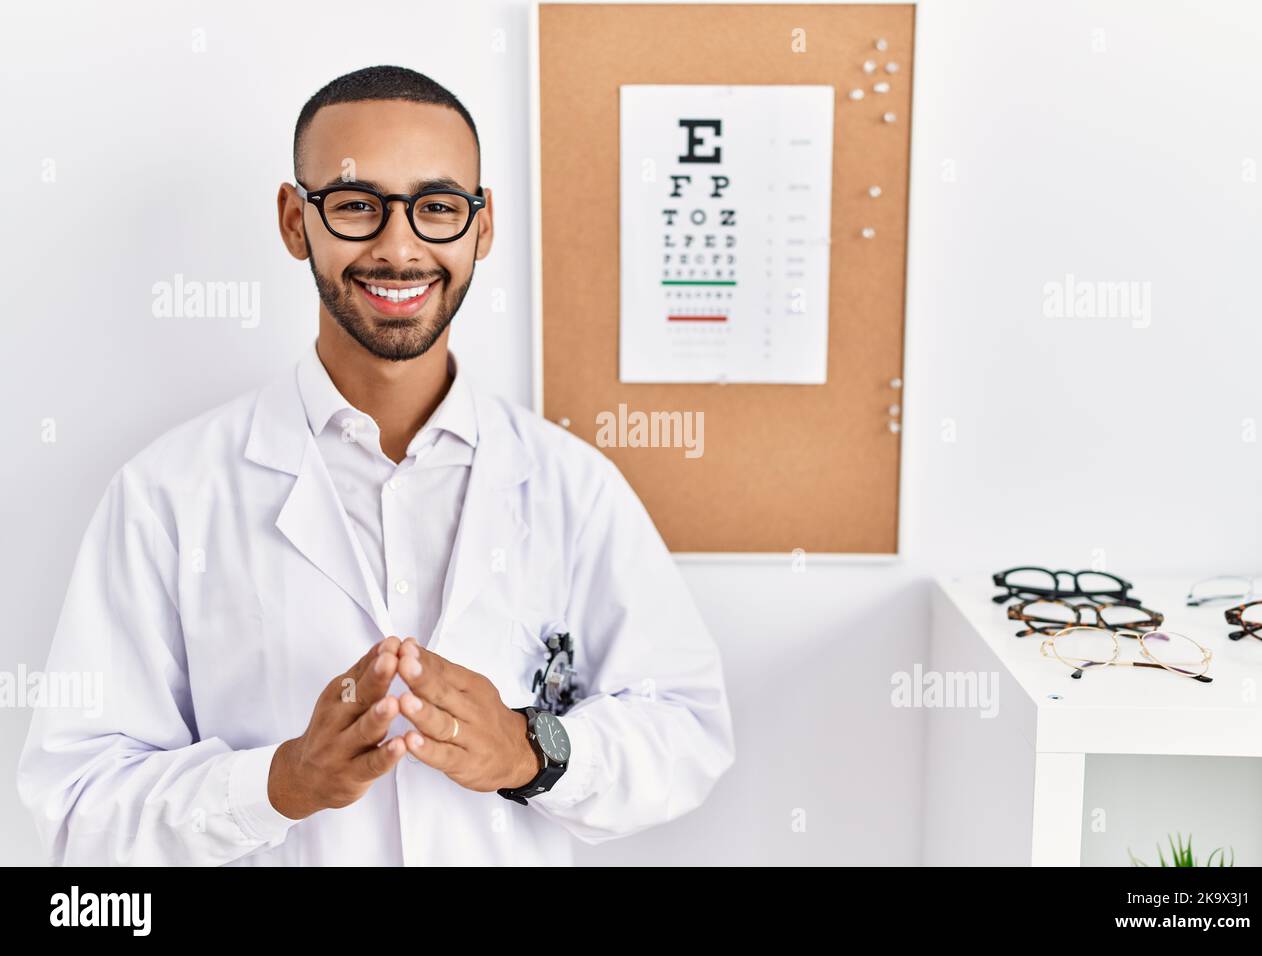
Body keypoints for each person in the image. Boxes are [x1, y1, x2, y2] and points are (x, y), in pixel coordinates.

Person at [17, 65, 735, 866]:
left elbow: (688, 730)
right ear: (296, 221)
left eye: (436, 207)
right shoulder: (168, 496)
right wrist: (279, 784)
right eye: (357, 205)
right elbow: (78, 807)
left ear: (482, 225)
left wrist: (533, 751)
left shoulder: (574, 487)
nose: (399, 248)